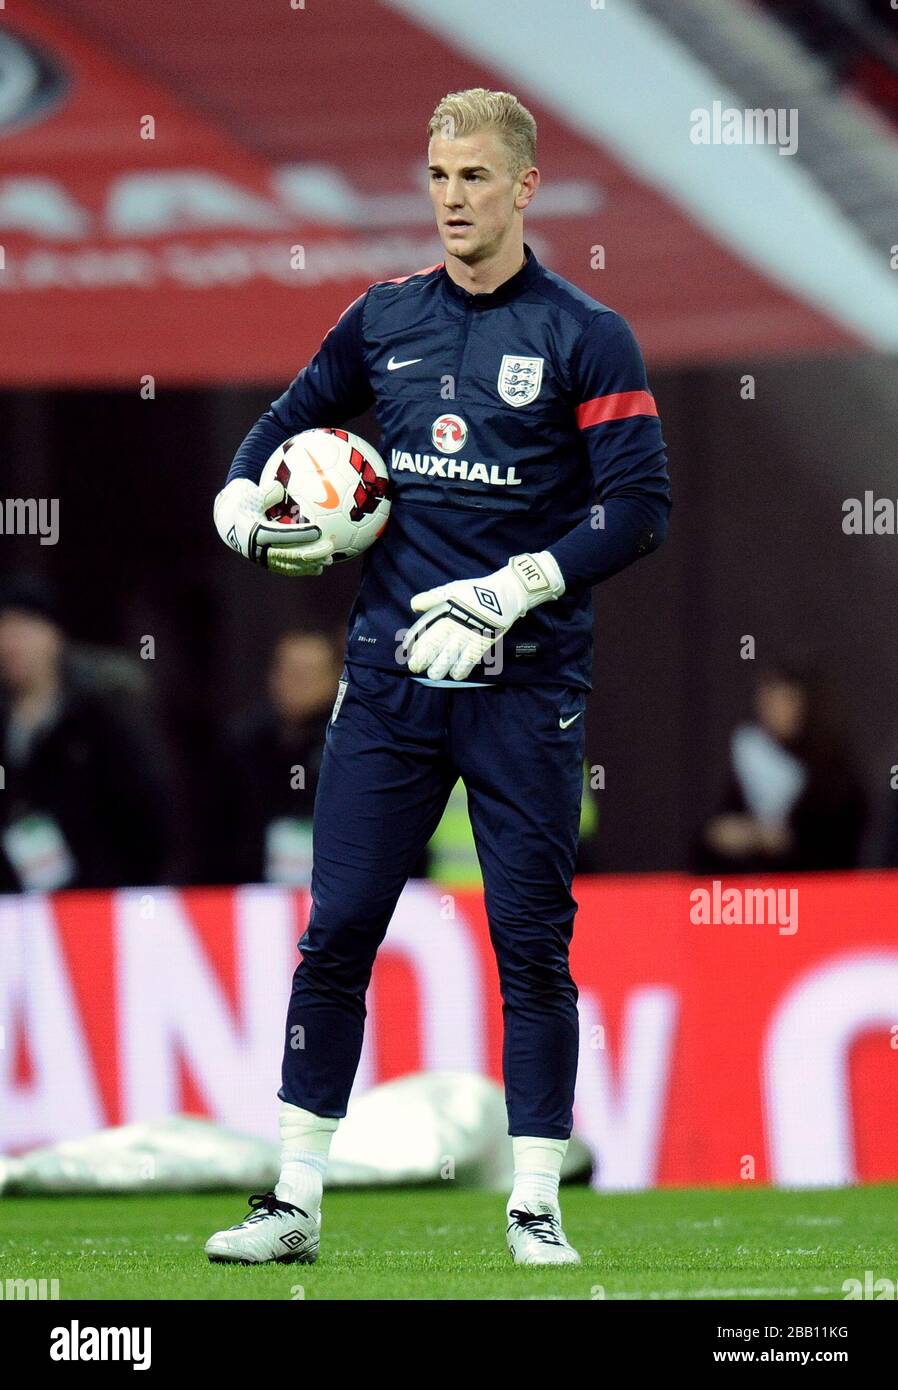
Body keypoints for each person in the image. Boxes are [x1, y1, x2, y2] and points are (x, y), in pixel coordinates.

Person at [207, 88, 670, 1268]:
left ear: (524, 187)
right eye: (438, 176)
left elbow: (638, 507)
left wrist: (514, 588)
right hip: (390, 682)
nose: (452, 198)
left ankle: (534, 1205)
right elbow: (281, 423)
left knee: (530, 947)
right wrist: (239, 496)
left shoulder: (586, 334)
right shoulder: (383, 317)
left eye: (475, 177)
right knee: (336, 932)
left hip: (526, 687)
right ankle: (292, 1201)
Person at [0, 574, 172, 891]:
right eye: (4, 628)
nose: (11, 643)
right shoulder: (7, 724)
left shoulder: (101, 718)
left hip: (96, 897)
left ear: (54, 635)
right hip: (14, 901)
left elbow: (148, 816)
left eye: (24, 627)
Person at [694, 661, 868, 873]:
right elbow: (715, 834)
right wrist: (741, 835)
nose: (774, 709)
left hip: (817, 885)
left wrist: (784, 840)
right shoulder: (749, 756)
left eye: (786, 699)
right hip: (754, 888)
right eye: (768, 699)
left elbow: (839, 843)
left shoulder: (834, 774)